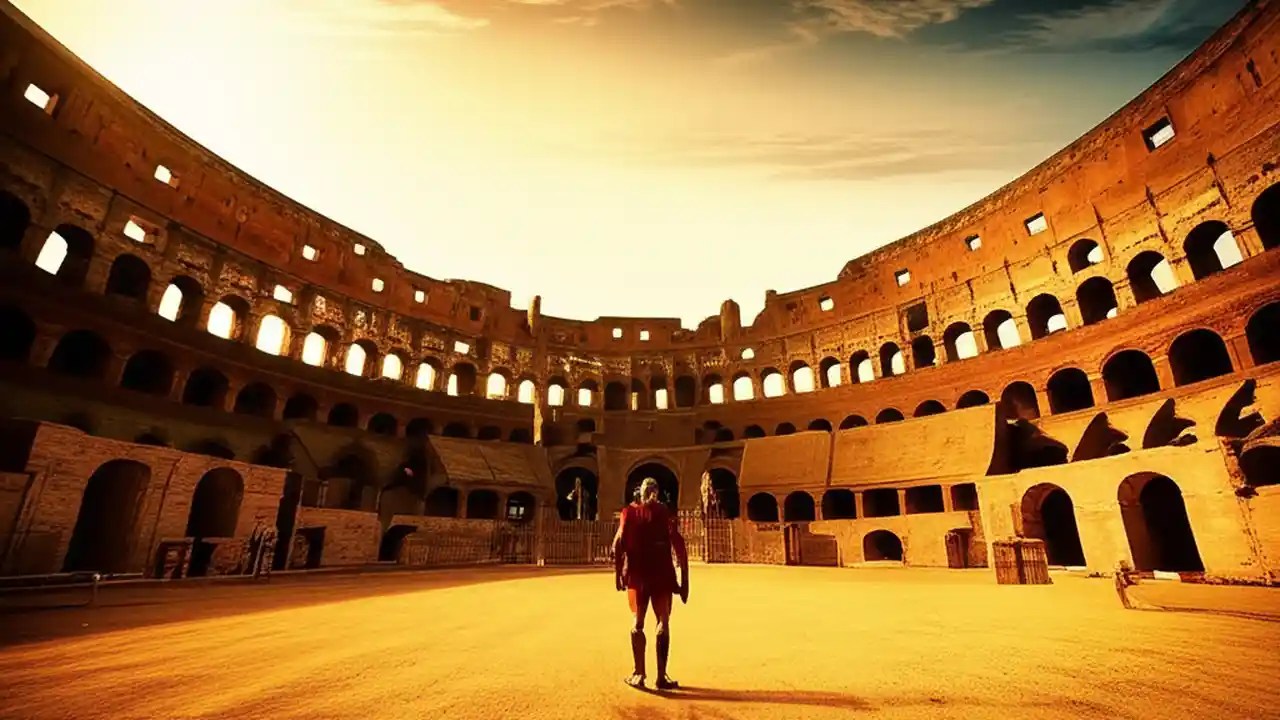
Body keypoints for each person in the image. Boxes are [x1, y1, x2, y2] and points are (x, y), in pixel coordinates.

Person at [613, 477, 689, 690]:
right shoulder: (663, 512)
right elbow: (679, 545)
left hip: (638, 574)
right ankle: (661, 677)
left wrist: (618, 574)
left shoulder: (630, 512)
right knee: (663, 621)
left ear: (640, 492)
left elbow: (618, 544)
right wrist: (684, 581)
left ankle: (639, 673)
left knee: (638, 623)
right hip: (661, 573)